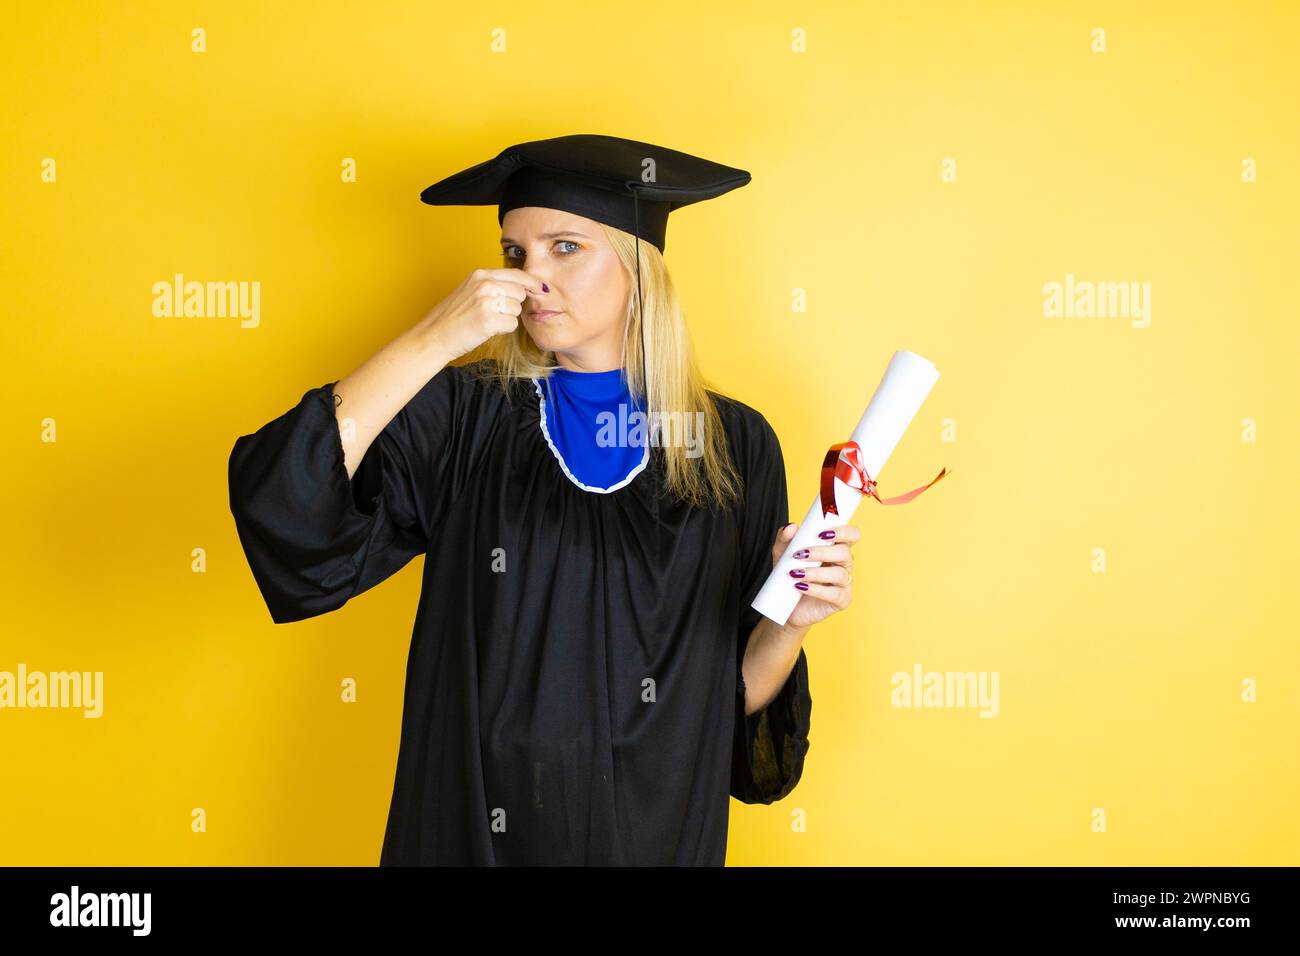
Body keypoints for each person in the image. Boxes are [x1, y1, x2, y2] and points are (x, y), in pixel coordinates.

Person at [227, 134, 859, 865]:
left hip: (654, 842)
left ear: (637, 268)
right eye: (514, 254)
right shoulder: (469, 417)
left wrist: (794, 623)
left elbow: (724, 714)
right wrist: (437, 339)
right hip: (472, 834)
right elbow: (288, 497)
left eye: (564, 247)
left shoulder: (730, 446)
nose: (533, 278)